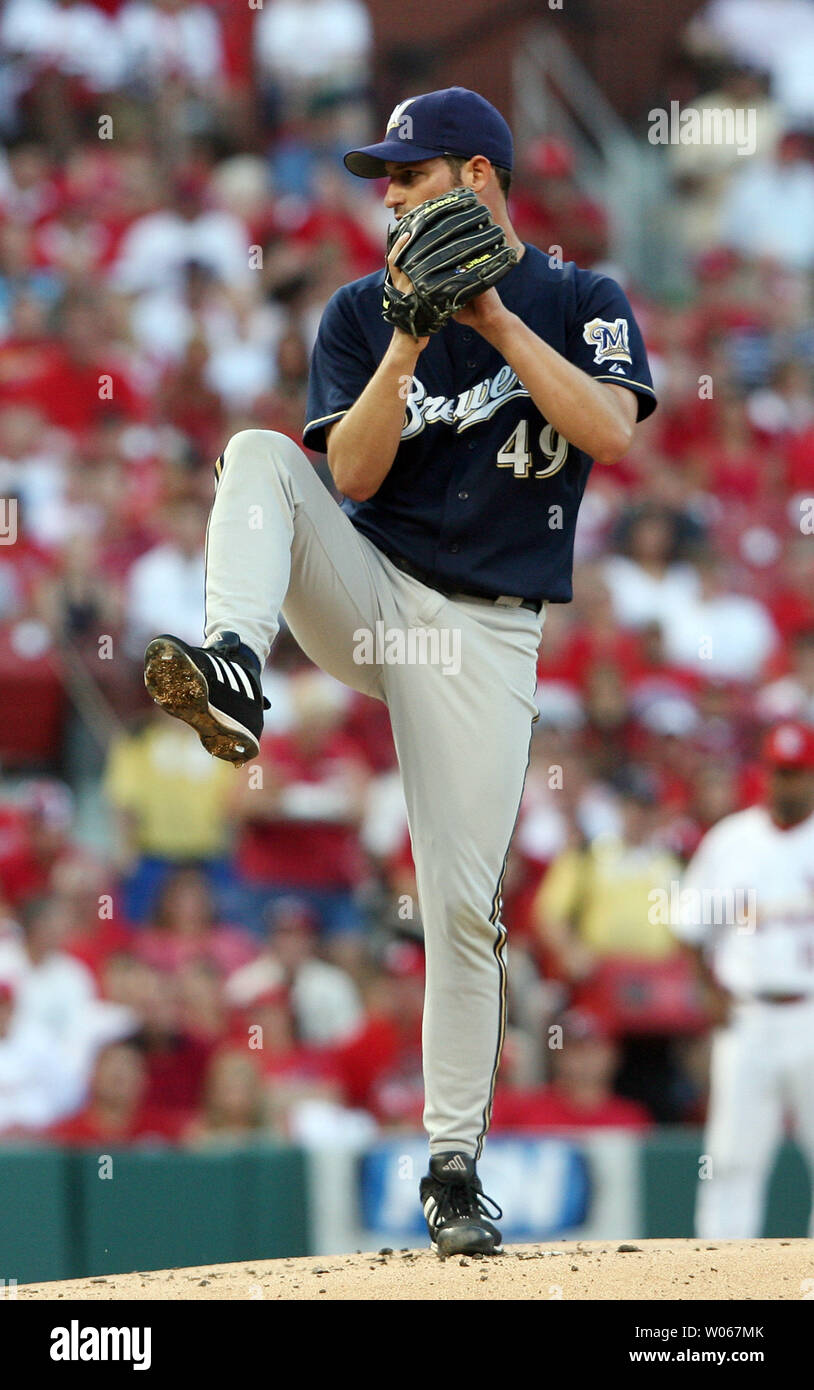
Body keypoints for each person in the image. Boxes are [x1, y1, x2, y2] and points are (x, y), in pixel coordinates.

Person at [142, 86, 657, 1256]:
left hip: (486, 633)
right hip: (372, 595)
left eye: (410, 175)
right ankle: (232, 661)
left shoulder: (580, 297)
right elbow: (358, 477)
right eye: (383, 178)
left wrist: (490, 316)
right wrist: (415, 332)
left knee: (464, 911)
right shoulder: (363, 311)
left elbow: (615, 433)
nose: (388, 195)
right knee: (260, 454)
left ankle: (451, 1166)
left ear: (478, 179)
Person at [673, 721, 814, 1238]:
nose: (788, 784)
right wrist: (708, 991)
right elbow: (689, 928)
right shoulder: (732, 841)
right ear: (765, 775)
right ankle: (720, 1280)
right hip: (748, 1015)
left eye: (797, 774)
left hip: (811, 1013)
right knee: (731, 1157)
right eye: (780, 772)